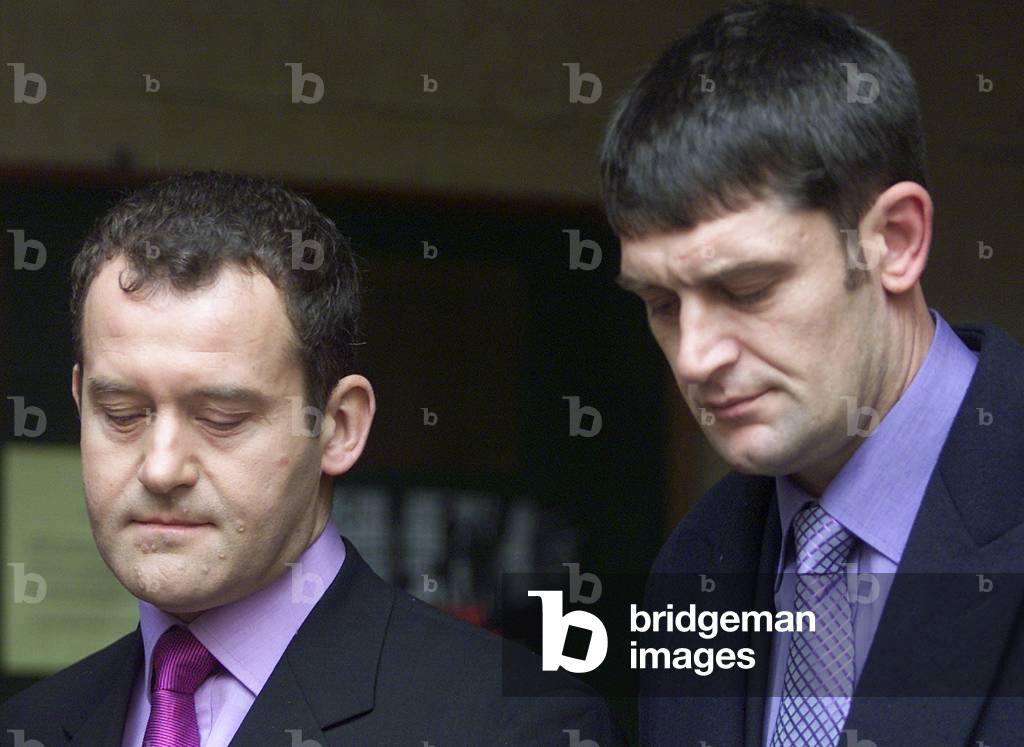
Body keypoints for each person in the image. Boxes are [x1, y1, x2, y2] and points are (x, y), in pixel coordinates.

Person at [0, 171, 624, 746]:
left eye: (222, 419)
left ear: (339, 428)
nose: (162, 469)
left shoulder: (515, 728)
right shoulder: (31, 726)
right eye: (122, 414)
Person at [600, 2, 1023, 746]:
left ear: (894, 241)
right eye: (662, 302)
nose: (695, 356)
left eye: (748, 288)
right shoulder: (693, 565)